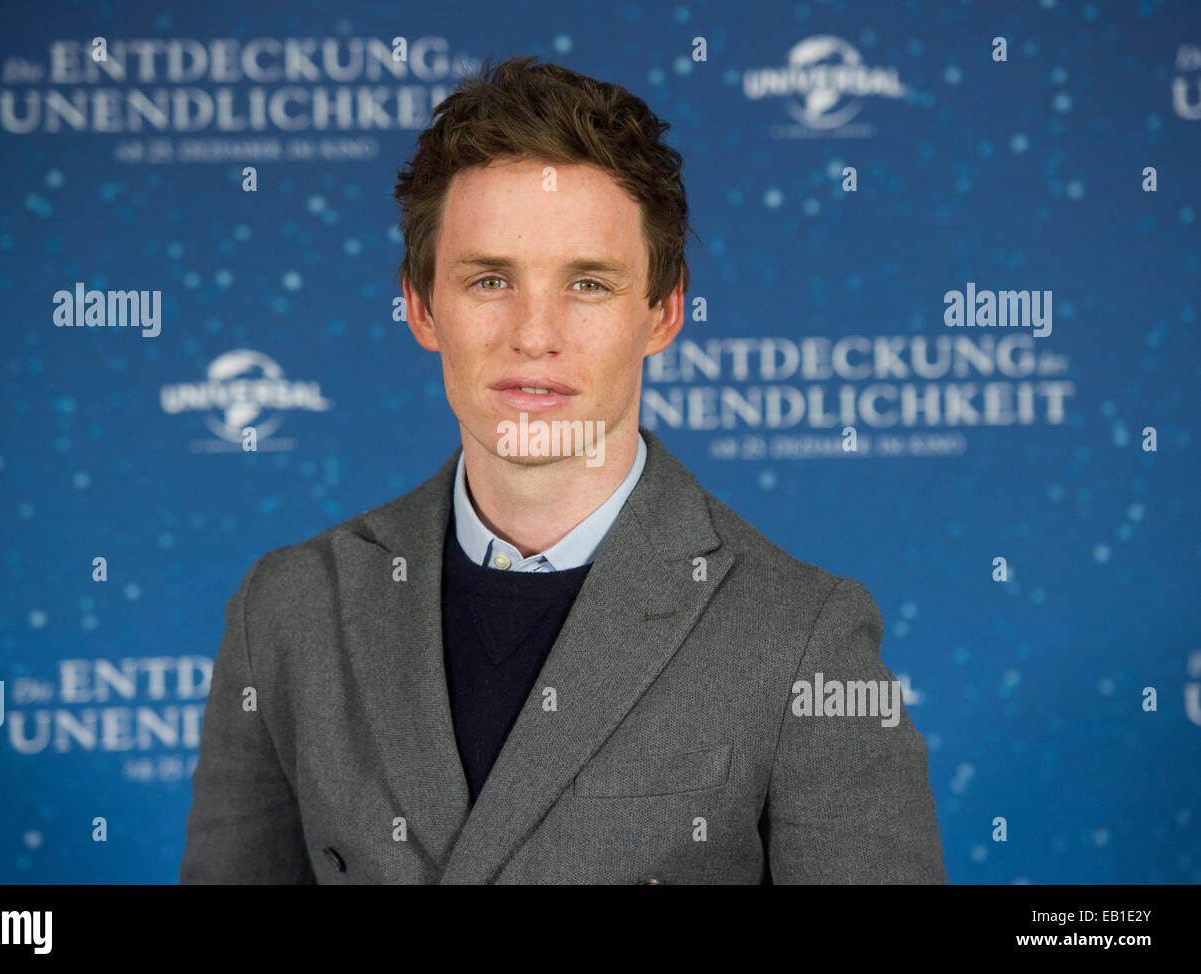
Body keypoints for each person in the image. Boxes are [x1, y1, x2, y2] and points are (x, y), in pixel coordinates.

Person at [180, 54, 947, 884]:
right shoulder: (287, 615)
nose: (533, 334)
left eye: (587, 283)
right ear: (420, 307)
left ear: (663, 312)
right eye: (488, 280)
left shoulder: (803, 637)